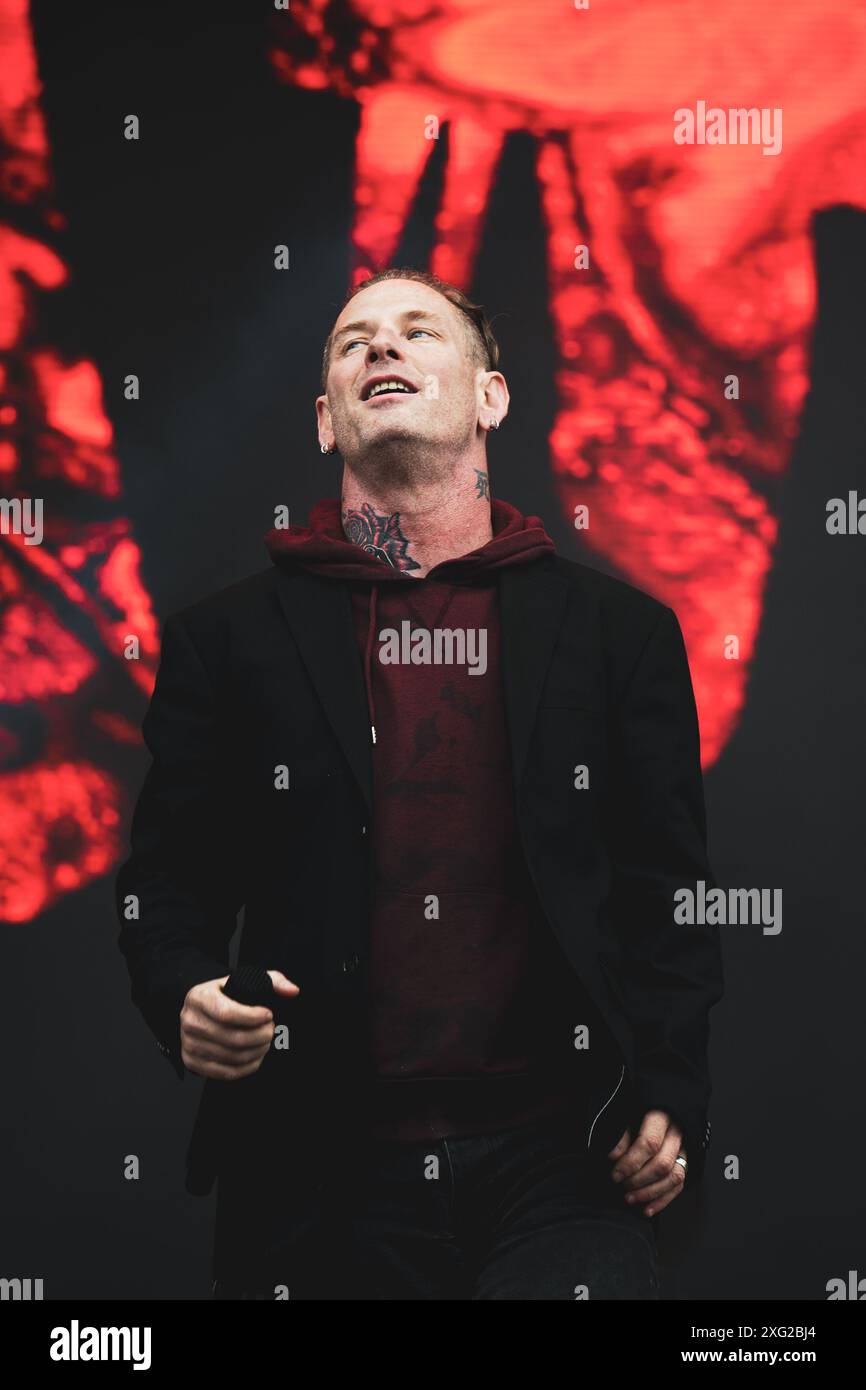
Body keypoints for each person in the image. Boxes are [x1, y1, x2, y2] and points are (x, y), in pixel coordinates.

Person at [116, 266, 724, 1300]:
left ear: (490, 397)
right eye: (354, 343)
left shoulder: (617, 635)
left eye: (414, 333)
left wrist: (668, 1085)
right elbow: (166, 882)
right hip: (314, 1171)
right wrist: (184, 991)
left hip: (563, 1155)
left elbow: (666, 887)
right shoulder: (227, 641)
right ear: (324, 420)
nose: (380, 350)